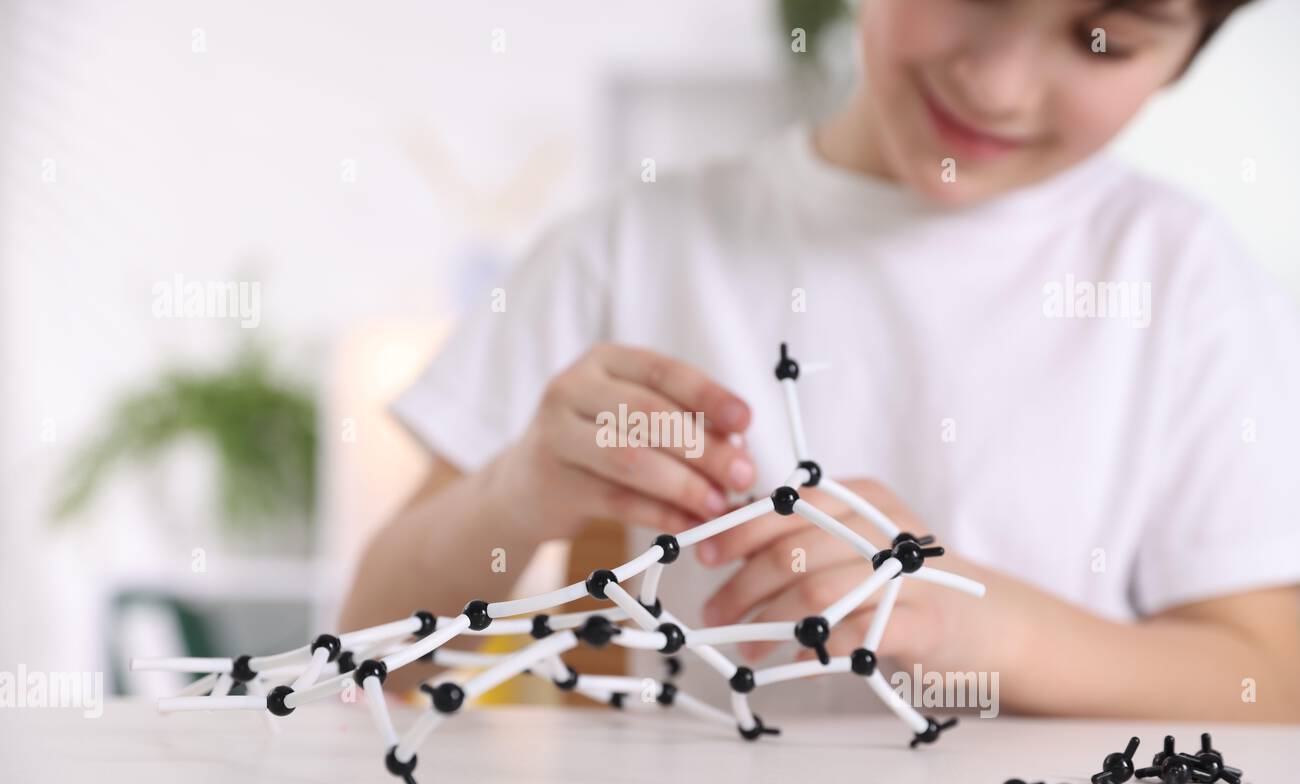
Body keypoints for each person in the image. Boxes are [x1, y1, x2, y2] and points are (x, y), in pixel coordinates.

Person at [342, 0, 1300, 721]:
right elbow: (370, 652)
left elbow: (1271, 678)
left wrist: (973, 627)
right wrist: (515, 493)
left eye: (1106, 38)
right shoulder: (627, 246)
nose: (1000, 82)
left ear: (1183, 58)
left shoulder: (1184, 279)